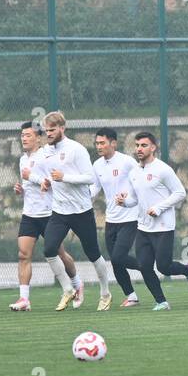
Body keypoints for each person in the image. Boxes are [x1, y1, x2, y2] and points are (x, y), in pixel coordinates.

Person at [30, 111, 114, 312]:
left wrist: (64, 177)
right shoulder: (45, 151)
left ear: (62, 128)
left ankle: (105, 293)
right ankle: (68, 289)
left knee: (93, 254)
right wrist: (44, 182)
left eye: (52, 130)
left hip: (81, 211)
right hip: (59, 211)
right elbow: (41, 174)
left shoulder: (76, 149)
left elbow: (89, 178)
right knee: (49, 249)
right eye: (46, 130)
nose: (48, 134)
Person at [9, 121, 80, 312]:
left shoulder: (46, 157)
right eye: (22, 135)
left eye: (28, 135)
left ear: (39, 138)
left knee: (59, 253)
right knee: (23, 254)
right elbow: (32, 187)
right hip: (29, 214)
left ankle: (77, 284)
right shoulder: (23, 159)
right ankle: (24, 299)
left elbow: (50, 183)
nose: (24, 138)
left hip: (49, 214)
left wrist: (31, 177)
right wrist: (20, 190)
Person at [129, 131, 188, 311]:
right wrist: (124, 201)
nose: (139, 149)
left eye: (144, 145)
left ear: (153, 147)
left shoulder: (163, 169)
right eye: (137, 145)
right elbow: (134, 199)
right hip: (143, 227)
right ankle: (161, 302)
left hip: (163, 227)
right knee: (144, 266)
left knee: (164, 267)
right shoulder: (134, 171)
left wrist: (159, 208)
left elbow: (180, 193)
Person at [91, 128, 142, 307]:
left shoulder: (127, 162)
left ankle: (147, 266)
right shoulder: (97, 165)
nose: (99, 146)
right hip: (111, 220)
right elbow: (94, 189)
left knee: (119, 257)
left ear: (113, 143)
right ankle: (132, 296)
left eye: (102, 143)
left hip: (130, 217)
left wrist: (130, 199)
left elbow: (141, 181)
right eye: (97, 143)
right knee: (116, 261)